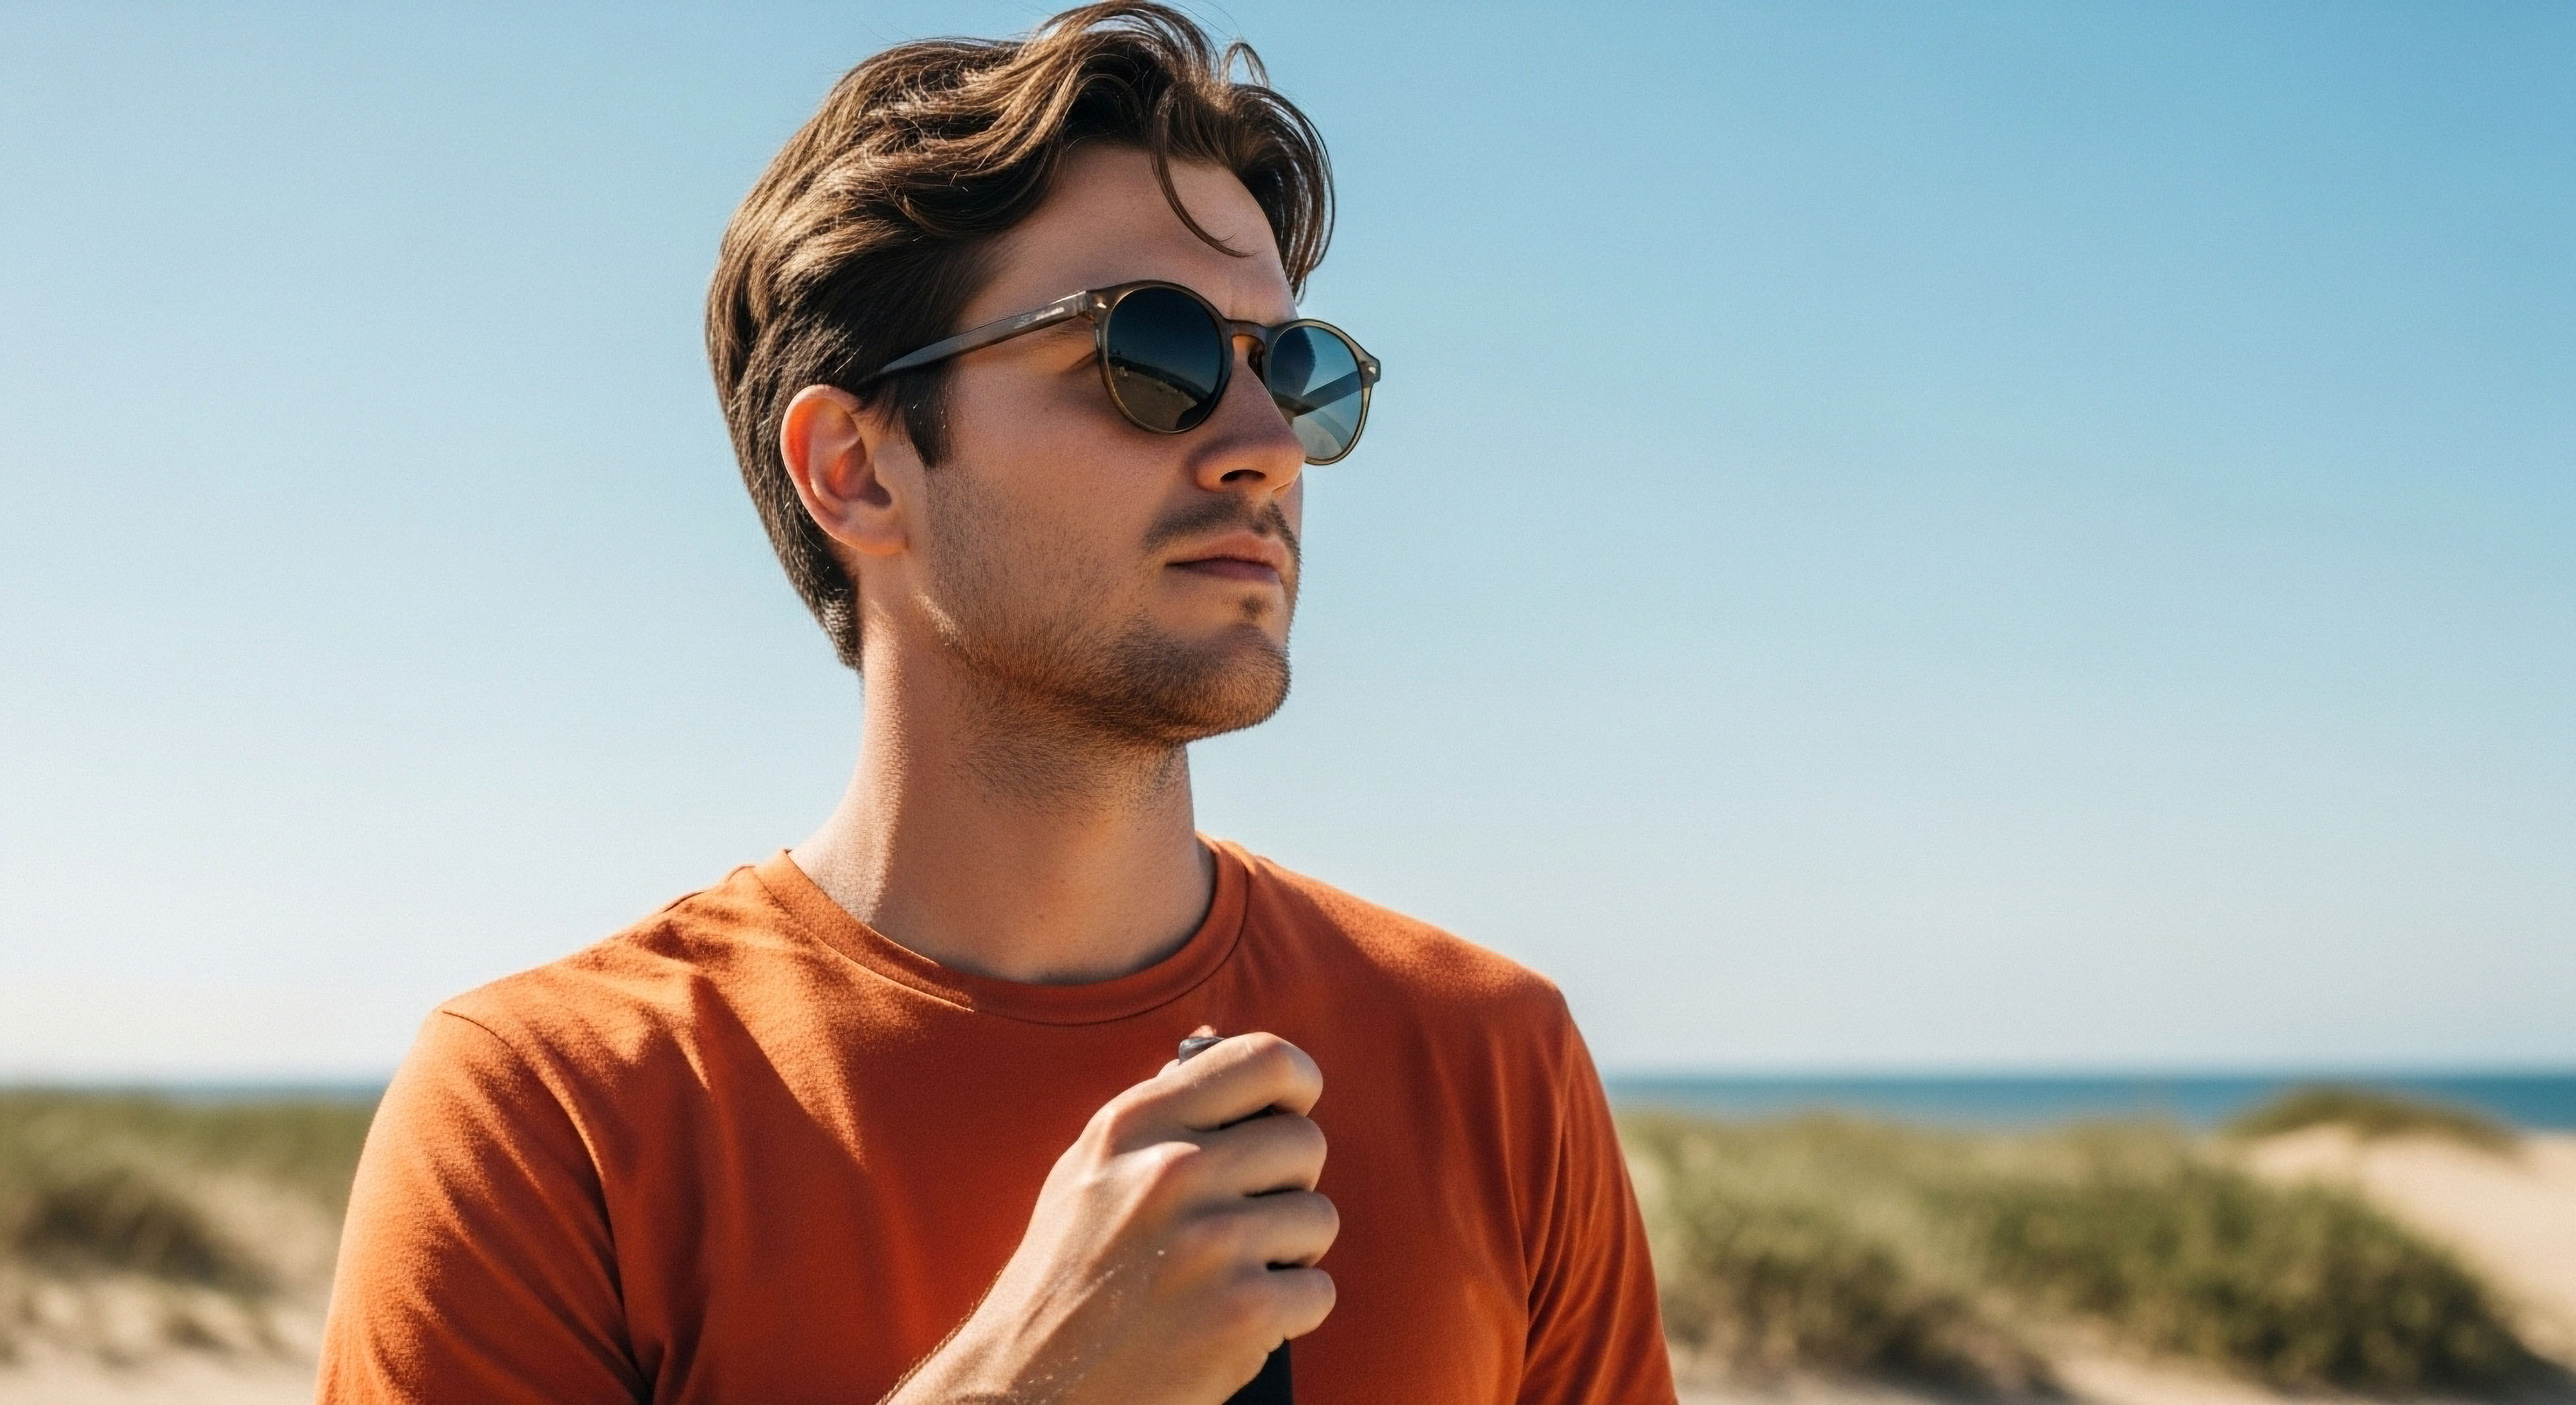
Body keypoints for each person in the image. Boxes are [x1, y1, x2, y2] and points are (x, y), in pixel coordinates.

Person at [317, 5, 1677, 1402]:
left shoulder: (1489, 1063)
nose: (1266, 448)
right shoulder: (553, 1115)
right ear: (854, 466)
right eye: (1154, 356)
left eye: (1293, 369)